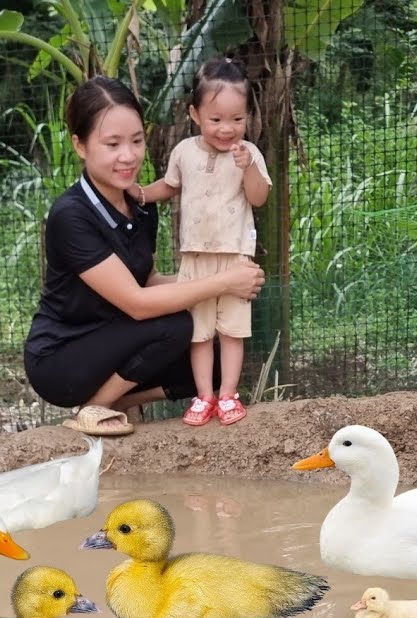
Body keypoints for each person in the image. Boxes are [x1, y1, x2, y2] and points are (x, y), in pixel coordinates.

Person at [23, 75, 265, 437]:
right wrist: (224, 280)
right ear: (80, 145)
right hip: (63, 356)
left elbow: (148, 280)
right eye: (112, 144)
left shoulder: (140, 205)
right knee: (177, 324)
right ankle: (95, 408)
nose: (129, 156)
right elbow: (138, 302)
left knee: (214, 347)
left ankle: (118, 401)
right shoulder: (71, 215)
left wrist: (227, 283)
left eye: (136, 141)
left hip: (118, 339)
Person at [137, 58, 272, 426]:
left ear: (247, 117)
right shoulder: (184, 152)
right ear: (195, 114)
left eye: (237, 119)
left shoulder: (250, 154)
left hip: (235, 261)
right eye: (216, 120)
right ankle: (204, 397)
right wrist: (140, 194)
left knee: (231, 331)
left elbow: (258, 198)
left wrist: (248, 167)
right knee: (198, 334)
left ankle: (228, 395)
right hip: (194, 258)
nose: (227, 129)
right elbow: (169, 186)